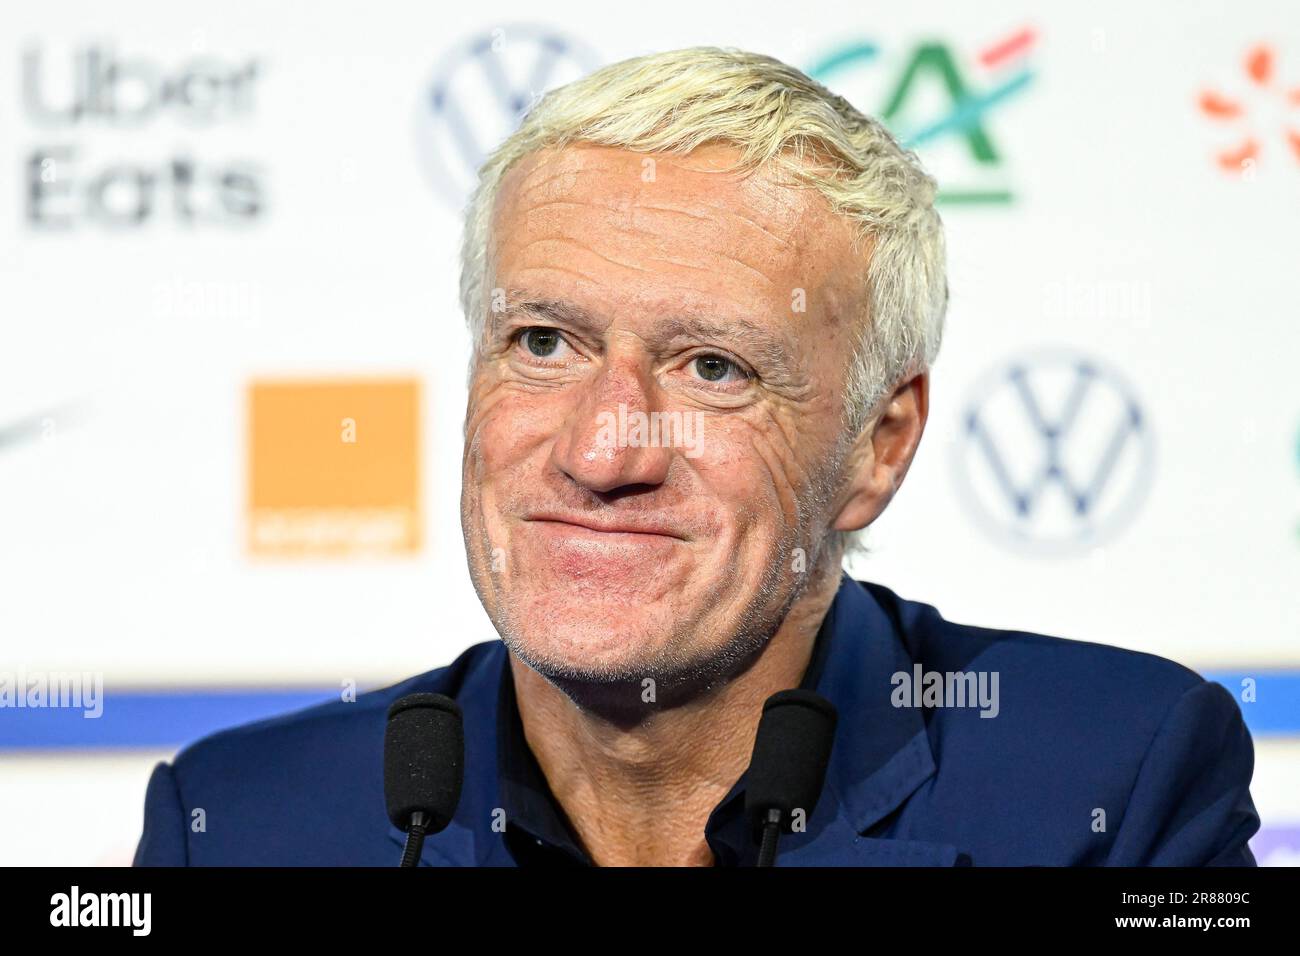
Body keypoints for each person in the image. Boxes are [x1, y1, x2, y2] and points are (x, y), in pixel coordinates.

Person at [134, 47, 1259, 866]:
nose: (599, 448)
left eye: (713, 366)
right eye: (543, 342)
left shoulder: (1110, 781)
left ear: (880, 441)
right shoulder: (236, 824)